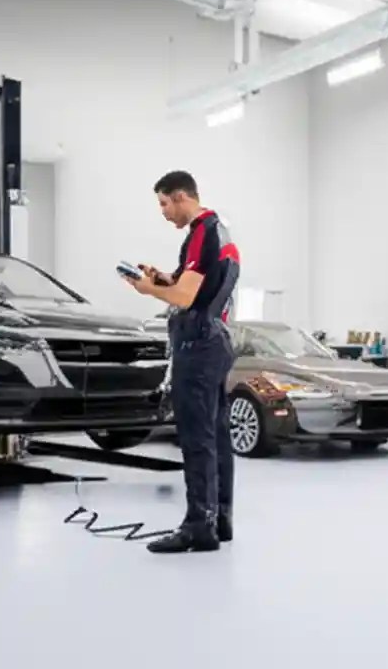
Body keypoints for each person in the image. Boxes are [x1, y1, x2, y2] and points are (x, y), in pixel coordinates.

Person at [124, 170, 240, 554]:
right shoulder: (219, 231)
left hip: (199, 344)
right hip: (218, 341)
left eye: (163, 203)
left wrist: (147, 290)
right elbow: (199, 285)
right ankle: (219, 519)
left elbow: (187, 299)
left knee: (196, 437)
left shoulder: (201, 231)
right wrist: (164, 277)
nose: (163, 212)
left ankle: (197, 527)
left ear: (180, 197)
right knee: (217, 434)